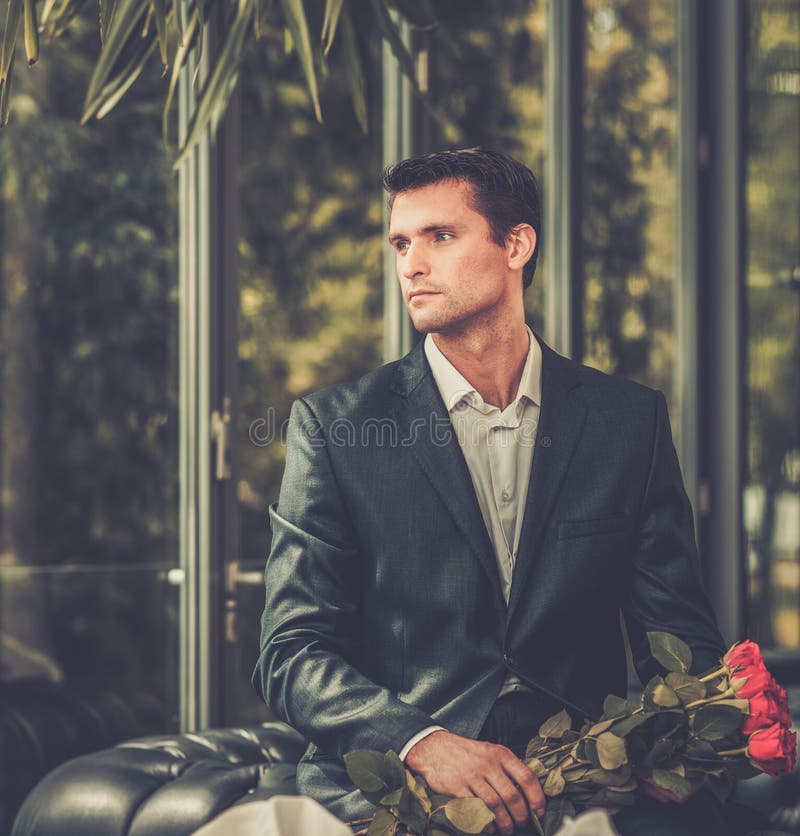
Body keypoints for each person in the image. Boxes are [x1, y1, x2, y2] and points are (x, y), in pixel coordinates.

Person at [252, 148, 728, 835]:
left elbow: (678, 639)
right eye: (400, 242)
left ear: (516, 244)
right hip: (396, 788)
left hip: (582, 782)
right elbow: (290, 650)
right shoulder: (333, 429)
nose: (411, 264)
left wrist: (675, 758)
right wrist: (419, 743)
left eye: (440, 237)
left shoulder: (628, 423)